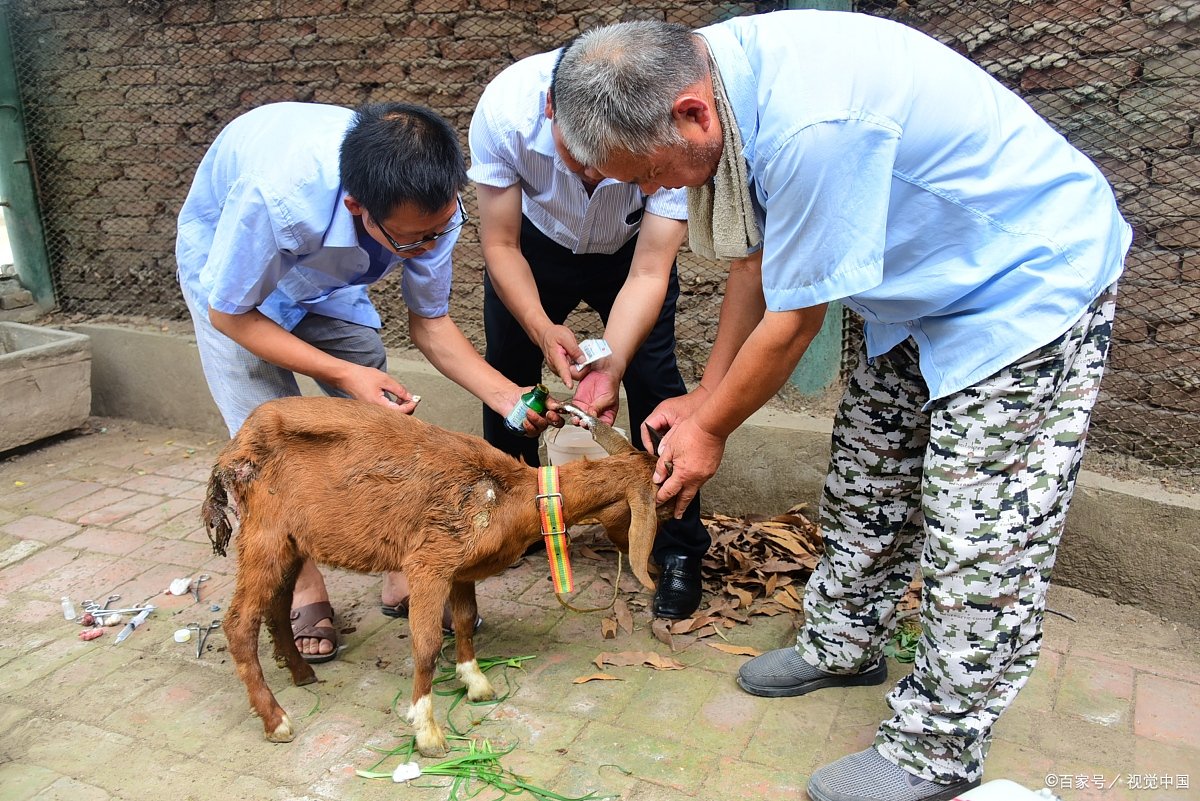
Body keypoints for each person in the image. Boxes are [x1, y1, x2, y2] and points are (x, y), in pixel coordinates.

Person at [550, 12, 1130, 801]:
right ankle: (843, 643)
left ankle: (937, 749)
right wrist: (704, 397)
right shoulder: (709, 76)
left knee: (980, 534)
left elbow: (794, 322)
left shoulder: (812, 125)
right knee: (867, 476)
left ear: (690, 114)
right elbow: (759, 260)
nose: (657, 192)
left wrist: (712, 428)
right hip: (919, 290)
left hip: (1022, 283)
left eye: (651, 173)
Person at [176, 101, 553, 663]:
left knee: (381, 421)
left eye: (439, 230)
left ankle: (400, 565)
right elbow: (232, 314)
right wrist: (343, 374)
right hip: (234, 278)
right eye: (413, 241)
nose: (430, 247)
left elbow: (430, 324)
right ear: (358, 207)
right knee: (271, 446)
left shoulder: (430, 210)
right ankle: (303, 586)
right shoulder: (276, 197)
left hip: (325, 278)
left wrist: (508, 398)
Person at [467, 49, 710, 618]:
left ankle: (676, 547)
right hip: (533, 248)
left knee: (655, 379)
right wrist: (540, 326)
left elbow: (649, 271)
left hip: (631, 254)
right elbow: (499, 244)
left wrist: (613, 364)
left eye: (614, 164)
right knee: (508, 374)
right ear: (551, 109)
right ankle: (511, 523)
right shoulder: (505, 111)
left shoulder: (666, 125)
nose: (596, 178)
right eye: (580, 159)